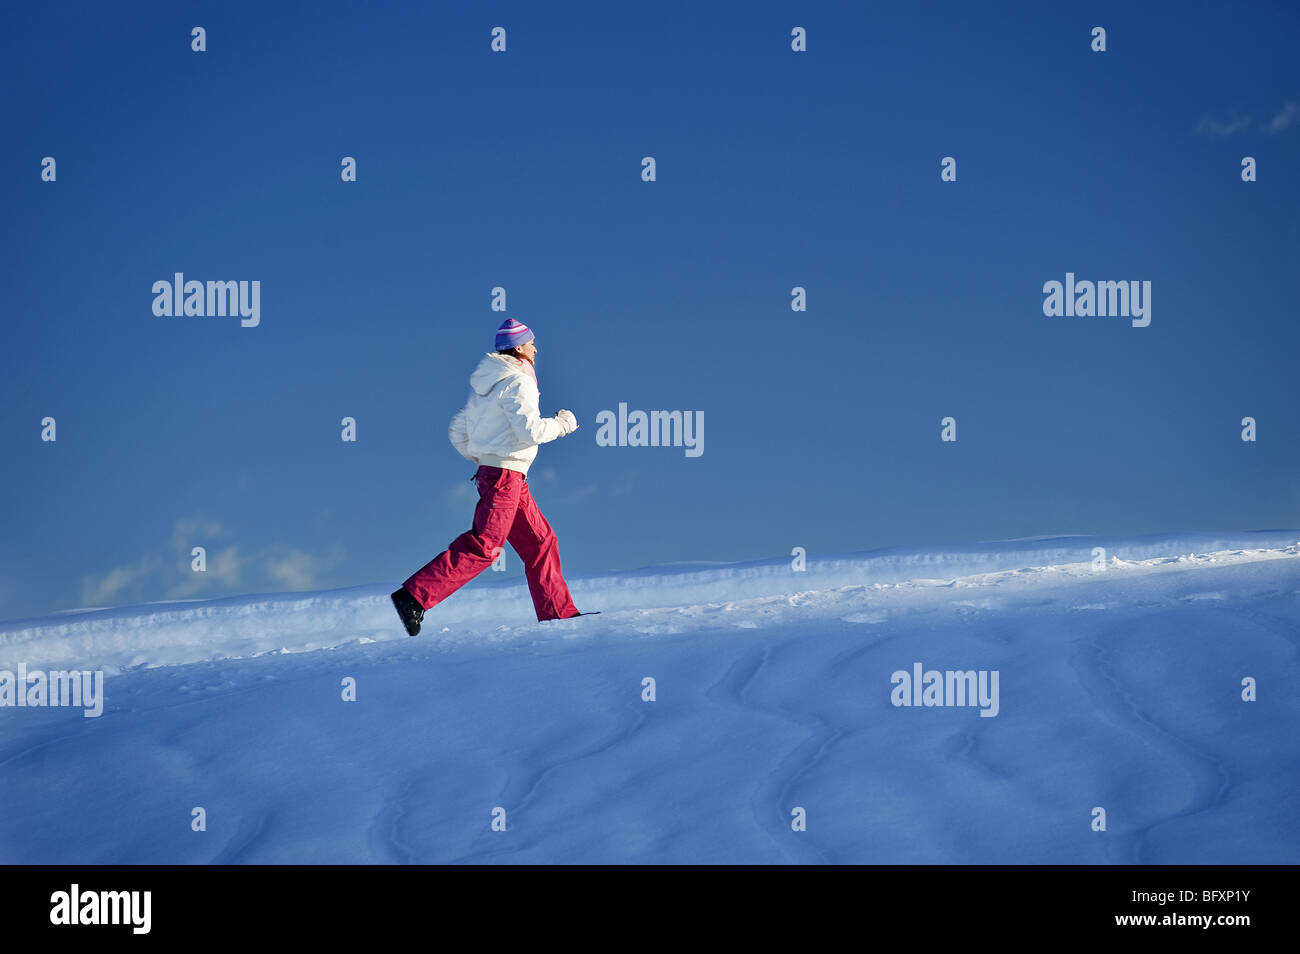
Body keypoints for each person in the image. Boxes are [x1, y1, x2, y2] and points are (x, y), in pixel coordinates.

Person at [391, 318, 583, 635]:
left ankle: (558, 616)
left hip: (506, 476)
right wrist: (563, 424)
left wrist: (483, 455)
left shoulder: (489, 385)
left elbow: (457, 431)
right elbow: (529, 431)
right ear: (519, 347)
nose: (537, 348)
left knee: (541, 543)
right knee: (486, 546)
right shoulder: (518, 382)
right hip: (504, 477)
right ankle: (414, 596)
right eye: (532, 343)